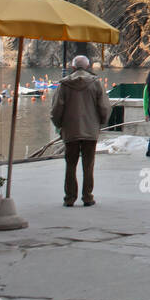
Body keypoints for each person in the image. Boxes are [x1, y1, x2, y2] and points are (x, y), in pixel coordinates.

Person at [51, 55, 112, 207]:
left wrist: (59, 125)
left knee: (70, 165)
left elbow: (56, 109)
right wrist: (100, 123)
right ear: (88, 66)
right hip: (90, 130)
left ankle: (70, 198)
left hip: (70, 130)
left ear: (72, 67)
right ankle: (88, 197)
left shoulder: (64, 85)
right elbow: (104, 107)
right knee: (88, 165)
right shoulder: (96, 83)